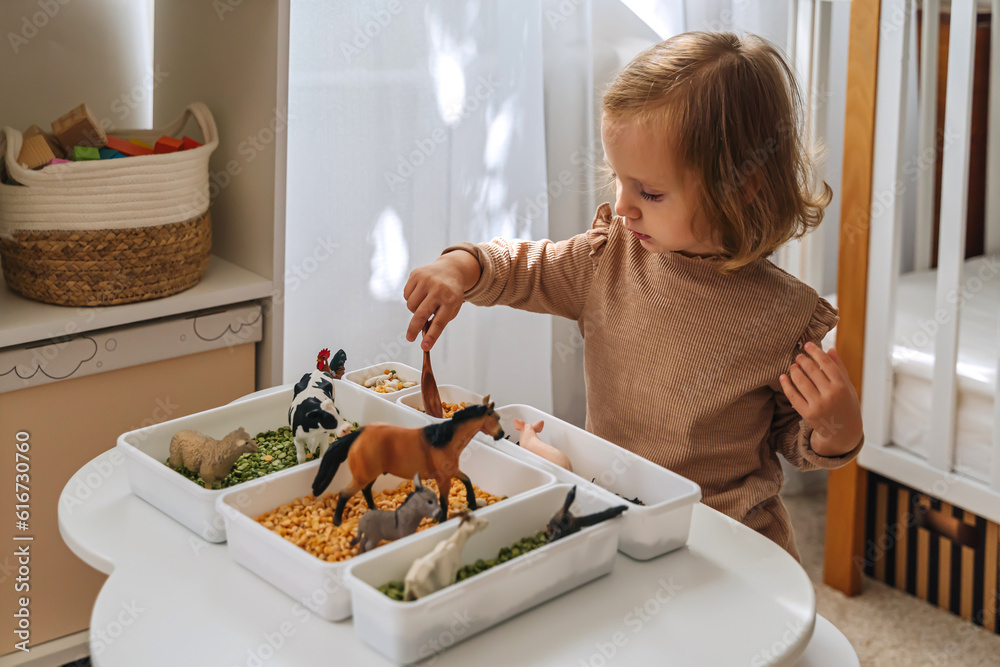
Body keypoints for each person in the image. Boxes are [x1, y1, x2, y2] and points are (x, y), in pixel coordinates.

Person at [402, 32, 863, 559]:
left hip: (728, 541)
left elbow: (793, 438)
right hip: (618, 513)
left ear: (743, 185)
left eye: (650, 192)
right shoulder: (608, 258)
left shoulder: (787, 316)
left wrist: (837, 428)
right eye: (619, 181)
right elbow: (526, 267)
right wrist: (461, 267)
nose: (623, 207)